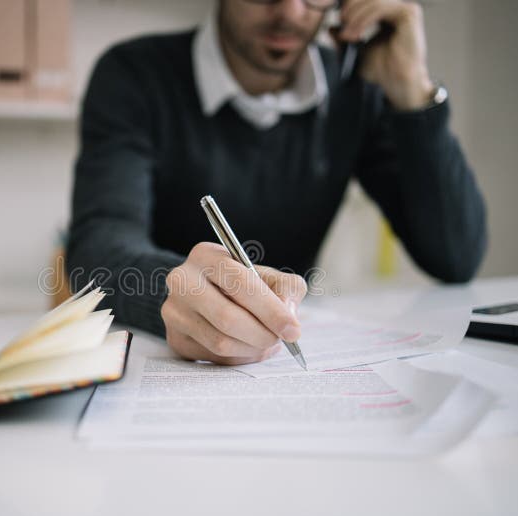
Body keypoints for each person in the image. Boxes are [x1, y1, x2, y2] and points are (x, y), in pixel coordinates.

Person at [67, 0, 486, 365]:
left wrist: (412, 91)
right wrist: (171, 295)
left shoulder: (355, 89)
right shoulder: (133, 75)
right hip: (151, 359)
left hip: (277, 359)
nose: (290, 11)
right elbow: (96, 248)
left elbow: (455, 256)